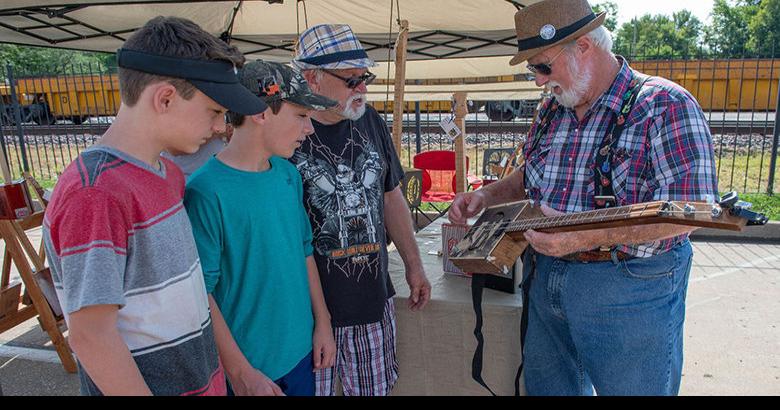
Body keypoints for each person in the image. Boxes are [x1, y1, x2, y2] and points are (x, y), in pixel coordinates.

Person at [449, 0, 718, 396]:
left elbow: (689, 211)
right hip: (547, 282)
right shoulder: (553, 109)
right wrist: (486, 195)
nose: (540, 81)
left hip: (628, 289)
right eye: (533, 71)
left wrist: (583, 237)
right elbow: (531, 177)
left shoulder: (664, 105)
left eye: (543, 66)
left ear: (584, 47)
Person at [41, 16, 268, 396]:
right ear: (164, 98)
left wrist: (238, 371)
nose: (219, 127)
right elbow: (92, 336)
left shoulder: (167, 173)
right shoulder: (95, 193)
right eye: (214, 112)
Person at [291, 23, 432, 396]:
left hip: (370, 302)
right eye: (351, 79)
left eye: (364, 77)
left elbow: (391, 197)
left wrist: (415, 266)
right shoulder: (286, 131)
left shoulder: (369, 121)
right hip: (304, 314)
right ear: (312, 79)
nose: (362, 88)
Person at [184, 60, 338, 396]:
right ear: (260, 113)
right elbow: (200, 294)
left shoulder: (287, 175)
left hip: (300, 355)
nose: (309, 128)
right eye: (300, 115)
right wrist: (240, 372)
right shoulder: (205, 192)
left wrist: (322, 322)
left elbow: (304, 250)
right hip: (249, 370)